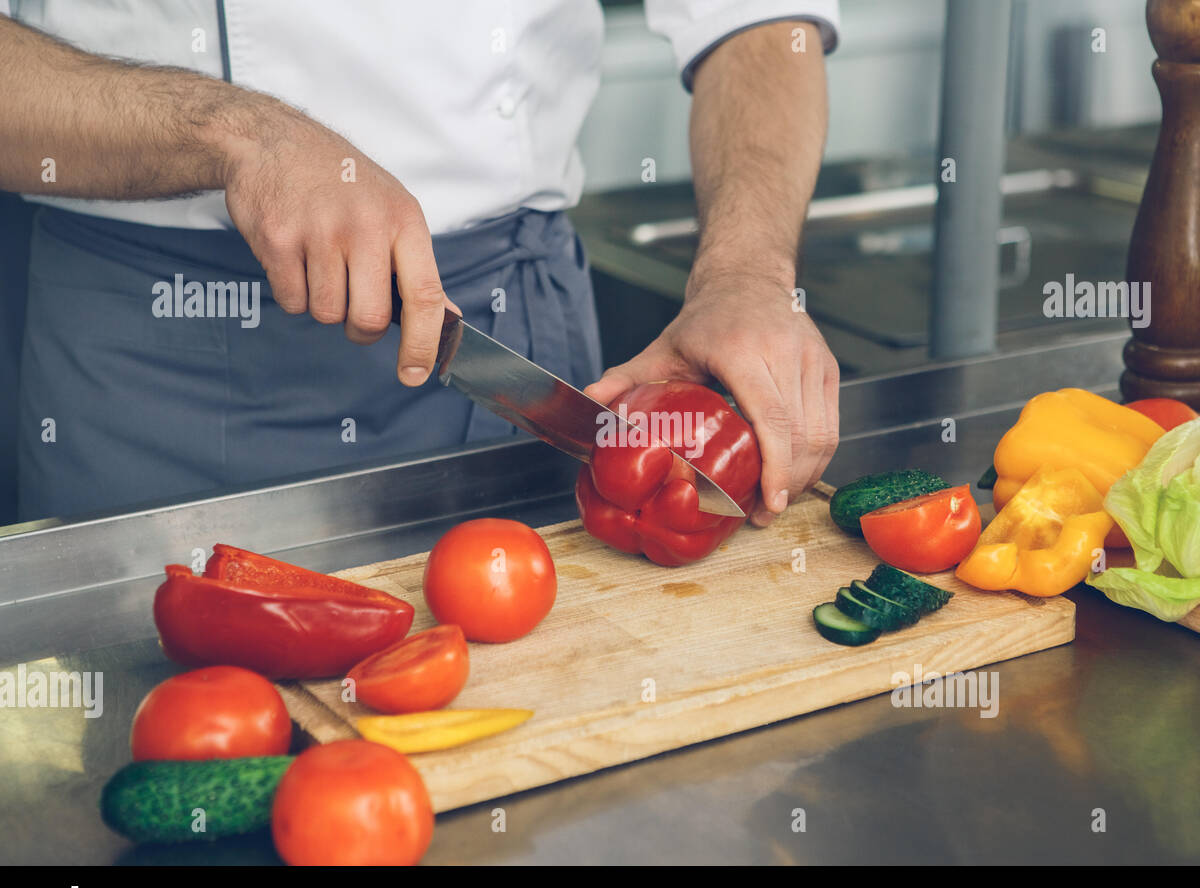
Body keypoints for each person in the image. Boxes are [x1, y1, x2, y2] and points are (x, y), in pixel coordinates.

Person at [0, 1, 841, 526]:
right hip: (131, 348)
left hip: (489, 328)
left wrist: (746, 273)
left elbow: (759, 19)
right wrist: (235, 133)